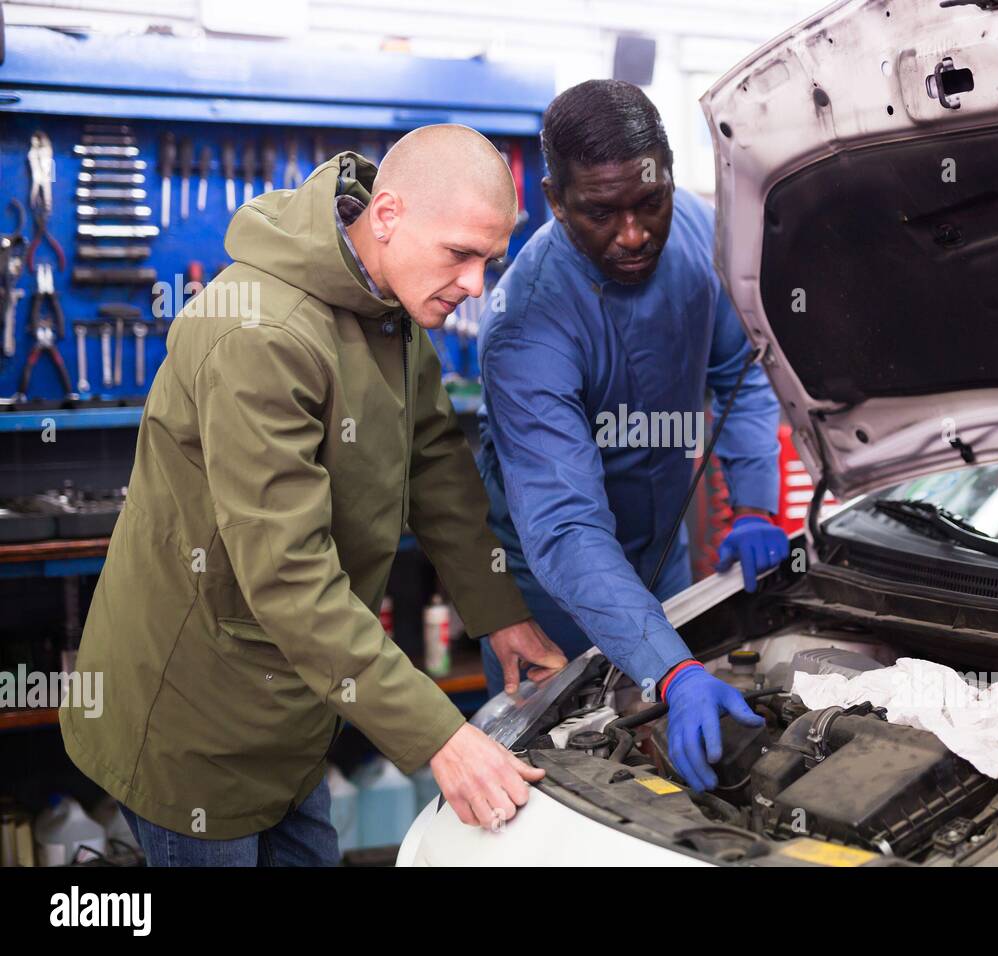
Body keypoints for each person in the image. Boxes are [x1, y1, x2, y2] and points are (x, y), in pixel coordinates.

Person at [60, 125, 565, 866]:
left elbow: (435, 467)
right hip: (193, 722)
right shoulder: (259, 335)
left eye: (489, 260)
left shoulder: (385, 299)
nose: (475, 287)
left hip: (298, 704)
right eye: (460, 253)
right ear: (386, 215)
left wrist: (499, 615)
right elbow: (289, 574)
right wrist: (440, 735)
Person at [476, 81, 789, 792]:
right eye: (600, 212)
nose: (633, 234)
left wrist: (753, 503)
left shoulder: (698, 239)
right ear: (555, 200)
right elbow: (563, 523)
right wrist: (673, 669)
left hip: (665, 552)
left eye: (650, 201)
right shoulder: (527, 326)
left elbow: (741, 367)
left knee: (677, 770)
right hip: (555, 589)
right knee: (561, 778)